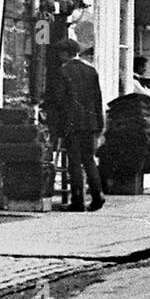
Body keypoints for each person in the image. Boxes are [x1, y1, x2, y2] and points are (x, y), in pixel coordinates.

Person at [43, 38, 106, 212]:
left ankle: (78, 200)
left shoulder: (63, 72)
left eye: (60, 52)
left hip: (72, 124)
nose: (58, 55)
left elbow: (59, 100)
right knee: (89, 160)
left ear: (65, 53)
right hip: (90, 123)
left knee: (74, 162)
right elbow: (97, 99)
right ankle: (97, 194)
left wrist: (55, 125)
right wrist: (100, 123)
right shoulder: (91, 71)